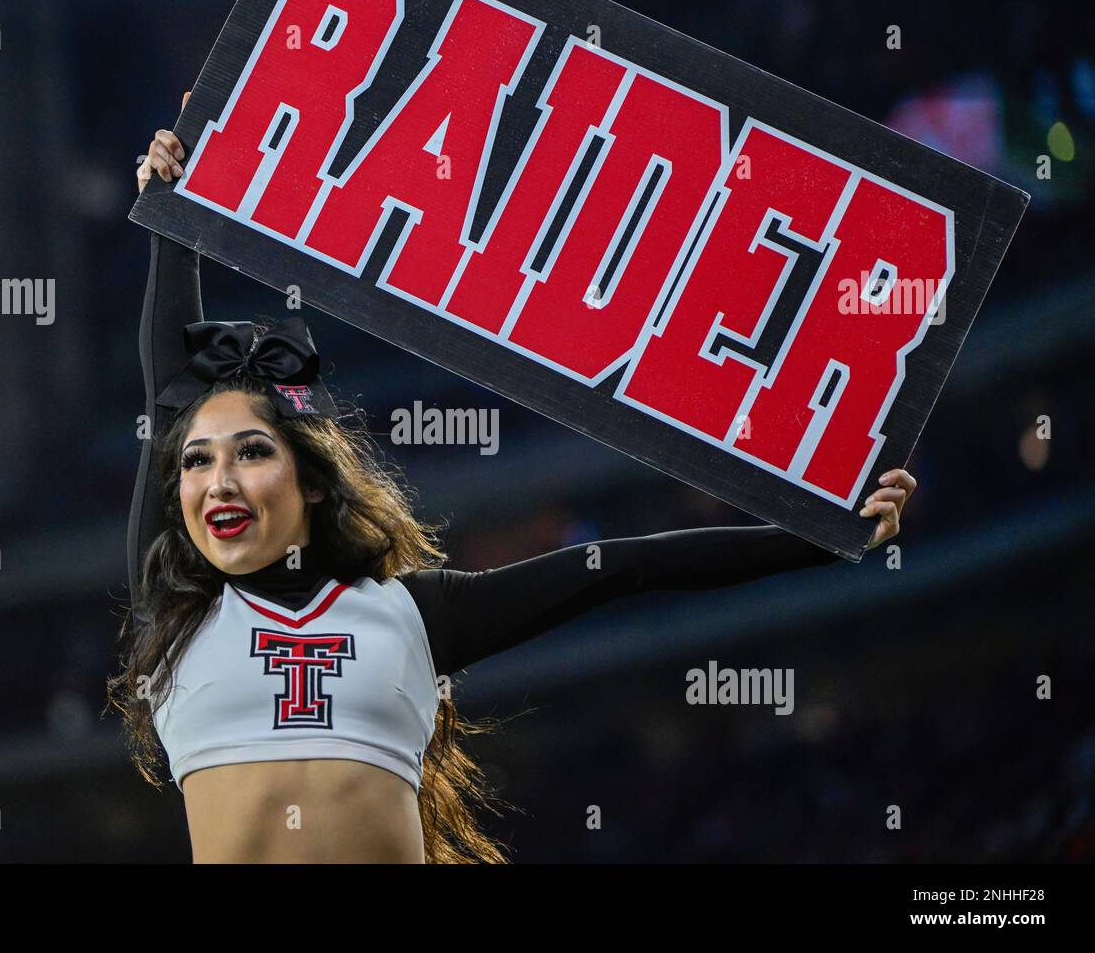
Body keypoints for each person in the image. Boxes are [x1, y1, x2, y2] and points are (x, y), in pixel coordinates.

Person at [107, 96, 916, 864]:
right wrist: (170, 215)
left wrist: (826, 537)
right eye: (197, 461)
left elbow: (630, 567)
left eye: (250, 452)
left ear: (312, 481)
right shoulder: (178, 618)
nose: (217, 478)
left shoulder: (410, 614)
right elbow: (163, 391)